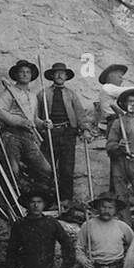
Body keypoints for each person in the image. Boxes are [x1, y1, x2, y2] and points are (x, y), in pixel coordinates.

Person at [35, 63, 93, 207]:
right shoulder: (43, 94)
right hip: (49, 133)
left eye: (63, 73)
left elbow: (80, 114)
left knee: (67, 169)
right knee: (46, 168)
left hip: (68, 133)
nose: (60, 76)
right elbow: (35, 115)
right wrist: (42, 125)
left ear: (66, 77)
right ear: (52, 76)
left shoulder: (71, 94)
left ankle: (65, 201)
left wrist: (85, 129)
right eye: (57, 73)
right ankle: (47, 201)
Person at [0, 59, 53, 196]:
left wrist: (43, 124)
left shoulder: (33, 97)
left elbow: (34, 119)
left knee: (45, 169)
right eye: (22, 72)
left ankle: (35, 199)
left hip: (29, 136)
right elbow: (0, 112)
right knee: (13, 169)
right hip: (12, 135)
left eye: (28, 72)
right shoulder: (9, 92)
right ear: (16, 75)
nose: (25, 75)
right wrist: (18, 121)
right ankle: (13, 201)